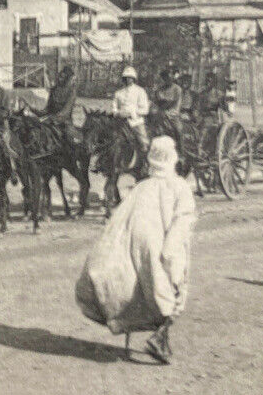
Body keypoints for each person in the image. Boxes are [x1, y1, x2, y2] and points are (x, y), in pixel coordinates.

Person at [76, 136, 197, 364]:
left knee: (143, 286)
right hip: (162, 243)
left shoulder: (142, 187)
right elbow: (182, 221)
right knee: (172, 289)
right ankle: (160, 336)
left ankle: (156, 334)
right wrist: (171, 252)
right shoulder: (180, 187)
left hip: (139, 243)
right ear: (172, 159)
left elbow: (120, 221)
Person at [112, 66, 151, 154]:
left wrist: (131, 113)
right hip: (120, 122)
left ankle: (146, 163)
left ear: (134, 79)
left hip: (136, 122)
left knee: (144, 143)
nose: (128, 80)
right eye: (126, 78)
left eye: (130, 78)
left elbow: (145, 110)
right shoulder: (118, 93)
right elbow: (114, 108)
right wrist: (118, 113)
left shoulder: (140, 91)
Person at [151, 68, 184, 148]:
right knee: (152, 129)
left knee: (178, 130)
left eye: (170, 77)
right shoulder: (159, 89)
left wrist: (165, 111)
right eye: (165, 78)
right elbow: (156, 102)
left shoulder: (177, 89)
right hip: (160, 114)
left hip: (172, 115)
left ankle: (181, 152)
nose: (168, 79)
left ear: (172, 77)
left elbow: (174, 104)